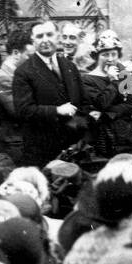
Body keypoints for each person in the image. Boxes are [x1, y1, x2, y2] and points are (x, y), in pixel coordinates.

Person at [12, 20, 87, 167]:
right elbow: (23, 110)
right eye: (40, 36)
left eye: (49, 34)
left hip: (73, 145)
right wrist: (57, 110)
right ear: (33, 41)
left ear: (57, 37)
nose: (45, 40)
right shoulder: (23, 72)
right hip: (42, 149)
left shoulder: (69, 66)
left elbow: (82, 100)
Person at [80, 30, 132, 159]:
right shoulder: (87, 79)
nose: (110, 59)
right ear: (96, 56)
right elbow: (100, 103)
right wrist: (114, 81)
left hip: (125, 136)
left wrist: (105, 114)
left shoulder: (124, 76)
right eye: (105, 55)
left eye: (114, 54)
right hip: (103, 138)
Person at [0, 28, 34, 164]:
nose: (32, 61)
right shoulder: (3, 77)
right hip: (14, 142)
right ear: (16, 53)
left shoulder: (19, 75)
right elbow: (18, 111)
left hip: (22, 138)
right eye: (29, 56)